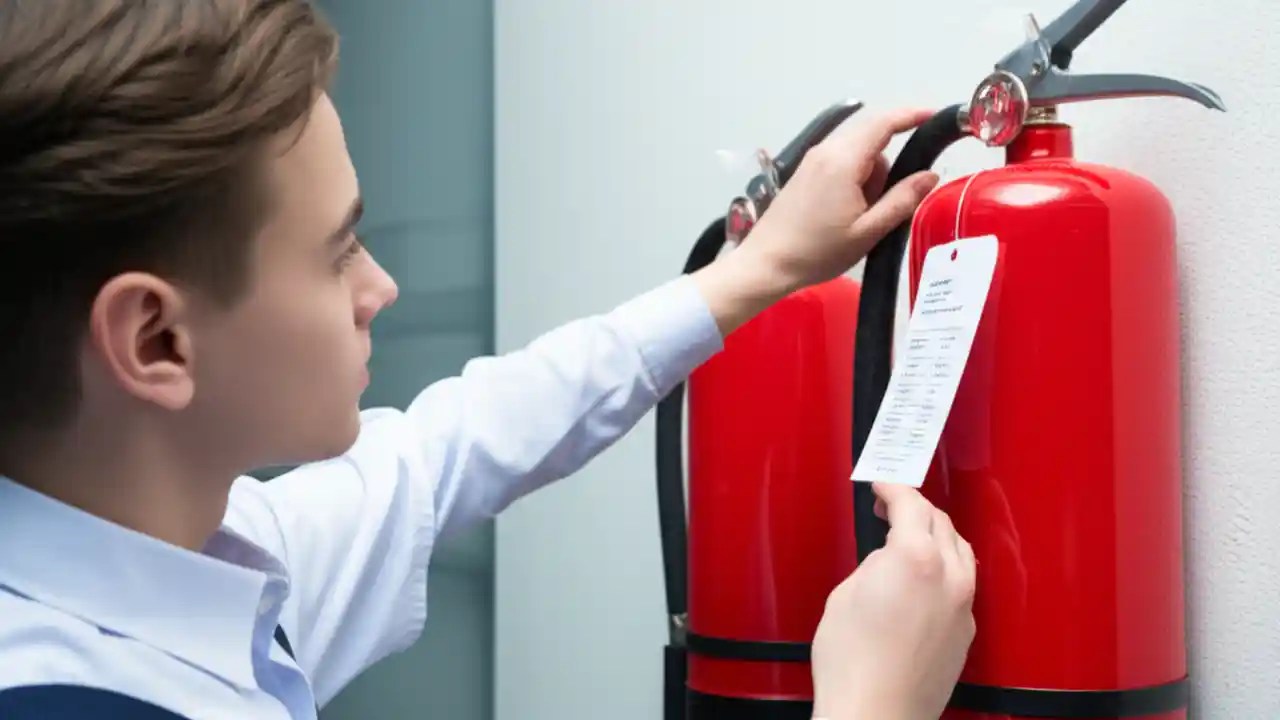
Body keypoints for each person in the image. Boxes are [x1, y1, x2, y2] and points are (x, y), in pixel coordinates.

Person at [0, 2, 975, 719]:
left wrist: (759, 268)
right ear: (155, 340)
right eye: (337, 248)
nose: (378, 287)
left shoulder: (201, 546)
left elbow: (452, 444)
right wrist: (873, 706)